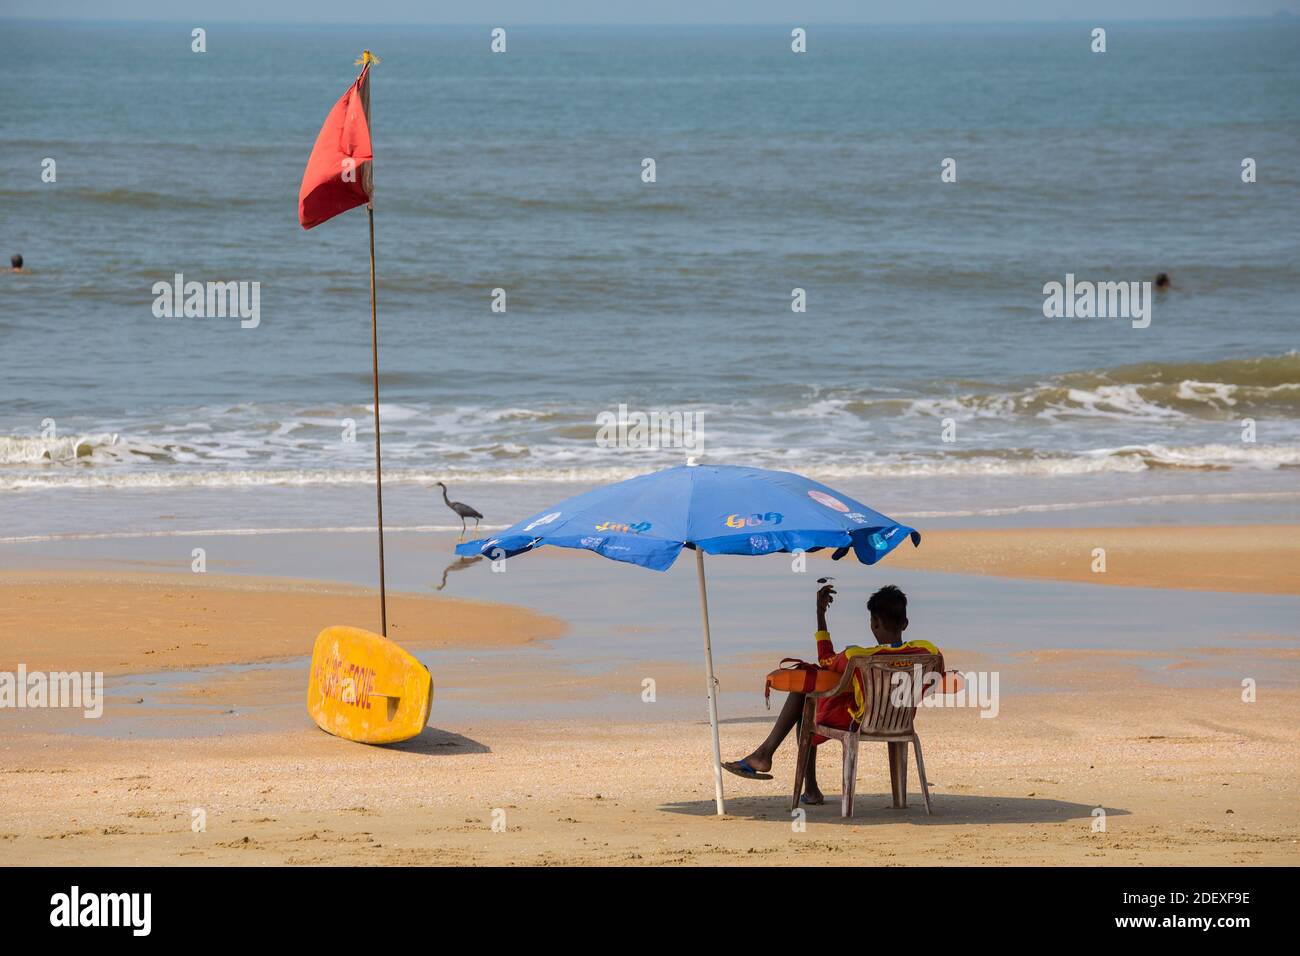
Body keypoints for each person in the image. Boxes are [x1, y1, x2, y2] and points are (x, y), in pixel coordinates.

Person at [722, 583, 941, 805]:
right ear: (905, 623)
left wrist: (820, 615)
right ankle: (770, 759)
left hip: (859, 722)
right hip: (901, 722)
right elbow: (936, 676)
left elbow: (825, 661)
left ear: (873, 623)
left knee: (807, 700)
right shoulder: (928, 652)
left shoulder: (857, 656)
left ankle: (783, 769)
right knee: (810, 699)